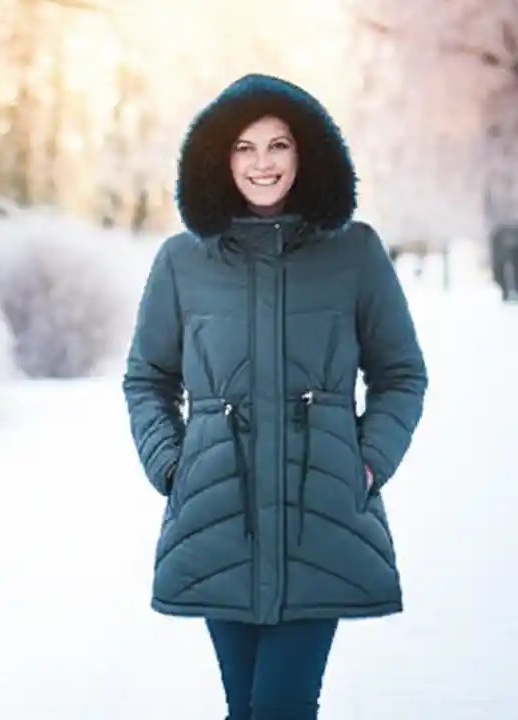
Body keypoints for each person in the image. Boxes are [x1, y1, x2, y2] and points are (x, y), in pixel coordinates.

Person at [121, 73, 428, 719]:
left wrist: (367, 463)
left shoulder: (354, 253)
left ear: (306, 152)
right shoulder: (182, 261)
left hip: (322, 516)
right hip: (217, 516)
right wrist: (173, 468)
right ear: (219, 158)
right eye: (244, 147)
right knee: (247, 709)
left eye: (278, 145)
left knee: (282, 706)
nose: (262, 163)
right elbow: (148, 378)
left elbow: (400, 373)